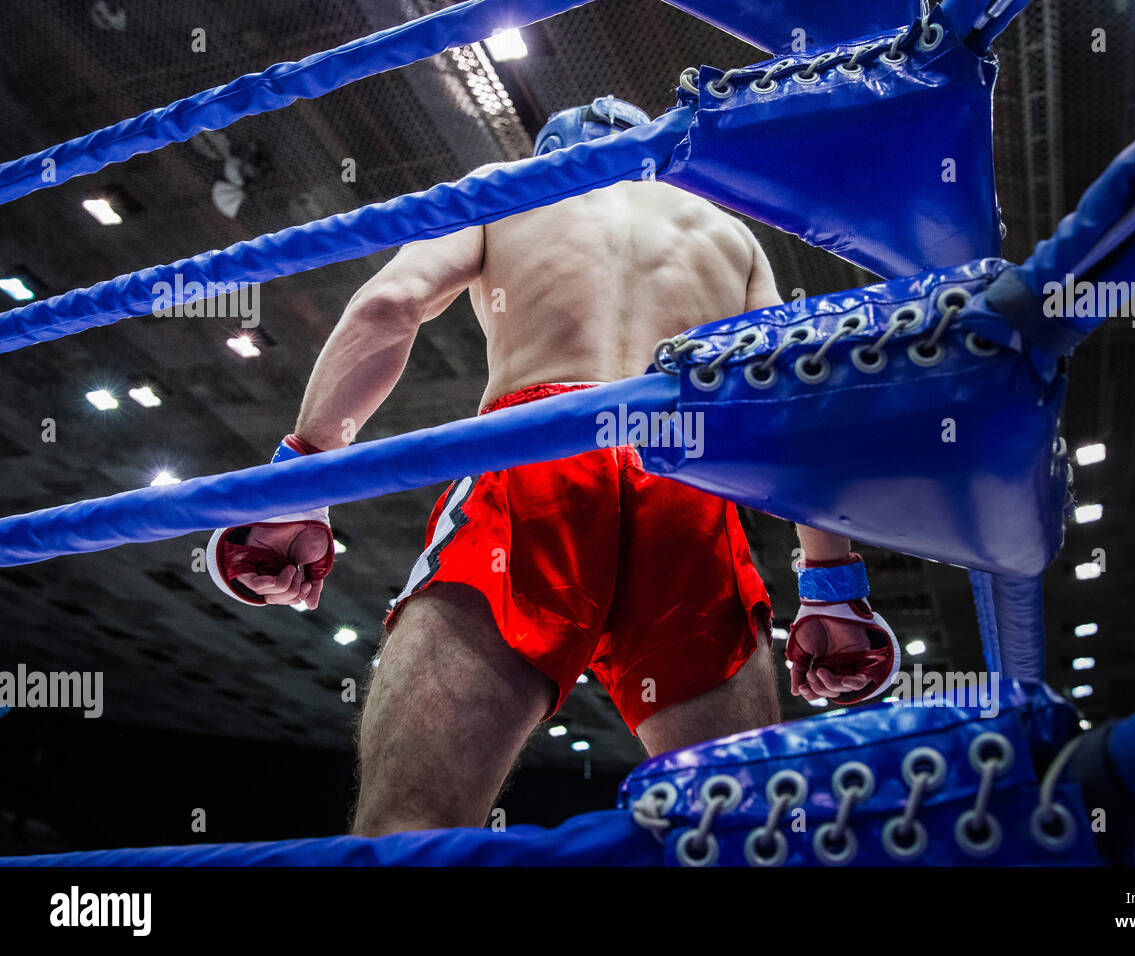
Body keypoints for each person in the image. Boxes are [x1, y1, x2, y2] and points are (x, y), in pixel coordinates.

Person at [206, 97, 899, 834]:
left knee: (412, 827)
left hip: (537, 453)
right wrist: (831, 586)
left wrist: (297, 482)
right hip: (686, 474)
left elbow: (389, 305)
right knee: (737, 838)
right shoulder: (729, 234)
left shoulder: (512, 187)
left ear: (551, 150)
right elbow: (786, 405)